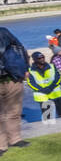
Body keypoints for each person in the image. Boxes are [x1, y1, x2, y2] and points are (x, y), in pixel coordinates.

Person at [0, 25, 30, 154]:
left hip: (12, 77)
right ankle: (1, 144)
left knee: (14, 111)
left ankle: (15, 139)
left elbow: (20, 49)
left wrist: (26, 69)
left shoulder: (4, 32)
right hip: (12, 76)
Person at [26, 52, 61, 120]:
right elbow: (31, 83)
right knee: (48, 118)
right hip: (42, 96)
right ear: (35, 60)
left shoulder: (52, 66)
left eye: (43, 57)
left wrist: (51, 87)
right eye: (39, 58)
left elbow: (58, 77)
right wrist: (42, 90)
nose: (42, 59)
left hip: (55, 93)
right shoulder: (30, 70)